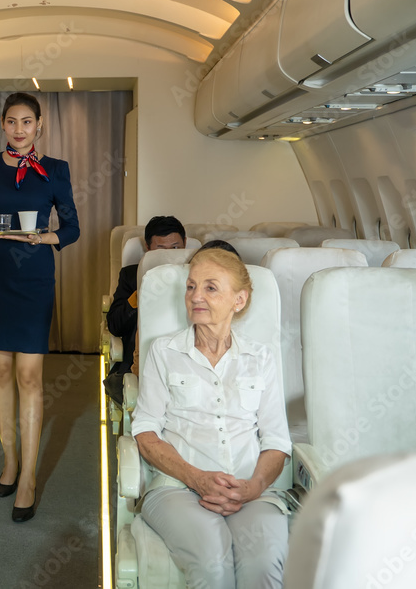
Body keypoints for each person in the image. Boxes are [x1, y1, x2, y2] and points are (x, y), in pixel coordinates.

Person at [132, 248, 291, 587]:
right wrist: (196, 477)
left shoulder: (260, 358)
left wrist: (254, 487)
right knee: (213, 565)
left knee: (262, 564)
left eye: (210, 288)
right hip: (176, 488)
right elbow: (145, 430)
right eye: (191, 287)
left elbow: (277, 439)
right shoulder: (165, 352)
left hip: (251, 489)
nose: (196, 296)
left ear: (240, 300)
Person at [0, 92, 79, 522]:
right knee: (1, 372)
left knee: (29, 375)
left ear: (39, 125)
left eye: (28, 121)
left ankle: (28, 476)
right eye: (12, 122)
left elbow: (72, 227)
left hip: (33, 278)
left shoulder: (56, 170)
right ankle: (9, 460)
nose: (20, 129)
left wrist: (43, 238)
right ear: (3, 126)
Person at [105, 216, 187, 377]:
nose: (169, 256)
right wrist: (140, 294)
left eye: (176, 248)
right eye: (161, 249)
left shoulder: (197, 275)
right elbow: (115, 325)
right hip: (143, 357)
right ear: (147, 247)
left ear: (185, 243)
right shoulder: (131, 275)